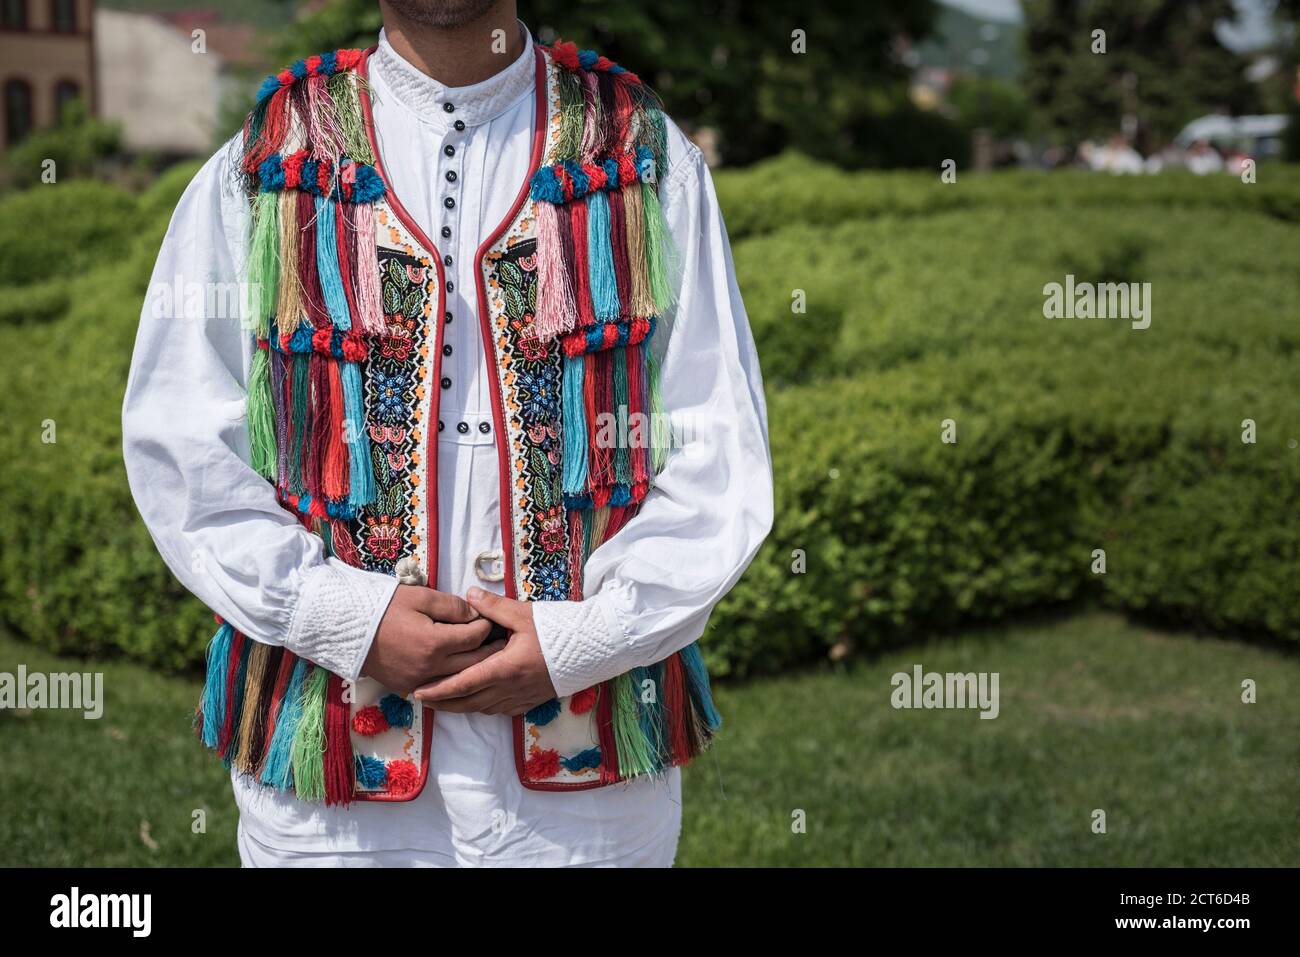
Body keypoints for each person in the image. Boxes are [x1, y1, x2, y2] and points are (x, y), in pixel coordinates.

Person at [121, 0, 772, 867]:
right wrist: (344, 618)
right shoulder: (266, 160)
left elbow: (717, 445)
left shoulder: (642, 155)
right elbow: (183, 446)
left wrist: (586, 639)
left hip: (587, 792)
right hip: (332, 780)